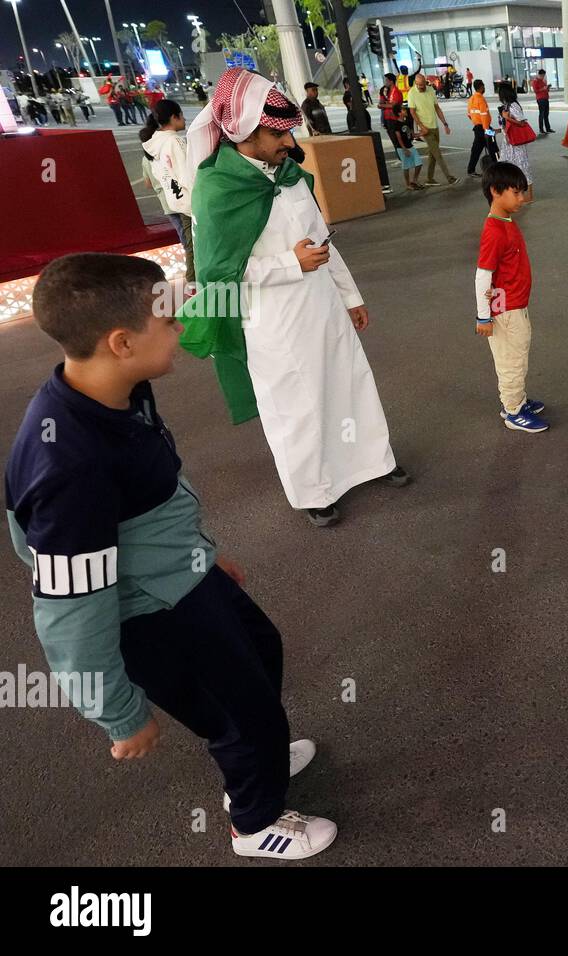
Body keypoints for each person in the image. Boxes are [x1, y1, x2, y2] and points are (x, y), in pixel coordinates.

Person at [6, 253, 339, 860]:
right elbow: (68, 611)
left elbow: (154, 502)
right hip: (148, 614)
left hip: (182, 577)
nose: (183, 325)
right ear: (122, 342)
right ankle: (254, 822)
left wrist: (201, 557)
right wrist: (118, 714)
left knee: (262, 651)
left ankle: (260, 752)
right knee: (239, 718)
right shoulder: (68, 466)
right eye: (169, 319)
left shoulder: (125, 389)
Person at [180, 68, 408, 527]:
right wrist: (288, 264)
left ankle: (372, 462)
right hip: (274, 324)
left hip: (324, 307)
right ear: (244, 129)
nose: (288, 142)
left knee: (351, 384)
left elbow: (322, 241)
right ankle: (312, 492)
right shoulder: (217, 190)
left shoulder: (288, 174)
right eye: (277, 133)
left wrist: (350, 296)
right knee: (297, 408)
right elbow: (217, 276)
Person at [474, 162, 548, 433]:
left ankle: (516, 400)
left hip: (515, 304)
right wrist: (484, 316)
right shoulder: (494, 230)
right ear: (496, 191)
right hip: (506, 309)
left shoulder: (506, 222)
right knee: (512, 360)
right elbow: (483, 275)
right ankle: (514, 412)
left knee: (517, 354)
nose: (522, 198)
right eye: (516, 193)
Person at [140, 99, 196, 284]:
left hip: (176, 203)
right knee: (196, 247)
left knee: (190, 245)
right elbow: (188, 176)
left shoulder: (155, 145)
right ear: (174, 117)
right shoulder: (174, 142)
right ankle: (197, 285)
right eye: (181, 115)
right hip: (191, 204)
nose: (184, 119)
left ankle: (196, 285)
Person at [407, 70, 458, 187]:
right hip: (425, 129)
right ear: (415, 83)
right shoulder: (412, 93)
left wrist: (445, 124)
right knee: (437, 154)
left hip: (434, 126)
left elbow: (437, 108)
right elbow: (412, 113)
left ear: (426, 82)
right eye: (419, 85)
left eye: (423, 84)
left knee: (432, 154)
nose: (421, 87)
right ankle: (449, 178)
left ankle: (429, 179)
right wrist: (421, 127)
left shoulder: (430, 90)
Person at [497, 83, 535, 204]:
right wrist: (497, 130)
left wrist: (507, 118)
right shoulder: (506, 106)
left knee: (522, 167)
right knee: (507, 167)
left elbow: (522, 123)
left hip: (516, 143)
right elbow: (505, 126)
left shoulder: (513, 106)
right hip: (508, 143)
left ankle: (529, 196)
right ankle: (512, 193)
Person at [466, 78, 498, 178]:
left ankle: (471, 170)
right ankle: (497, 170)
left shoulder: (471, 99)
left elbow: (469, 114)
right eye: (483, 86)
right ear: (481, 87)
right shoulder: (481, 99)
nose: (484, 88)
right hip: (485, 128)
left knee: (476, 150)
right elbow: (484, 115)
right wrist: (487, 130)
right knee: (493, 149)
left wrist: (476, 123)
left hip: (477, 128)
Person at [391, 104, 424, 190]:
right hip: (402, 148)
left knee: (419, 163)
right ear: (399, 113)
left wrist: (422, 133)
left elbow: (412, 135)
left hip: (410, 146)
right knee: (406, 166)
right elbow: (398, 138)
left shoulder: (407, 122)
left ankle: (414, 180)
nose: (405, 111)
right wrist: (404, 149)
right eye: (403, 110)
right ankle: (408, 184)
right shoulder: (396, 124)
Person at [530, 69, 553, 134]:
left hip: (546, 98)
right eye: (542, 75)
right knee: (542, 114)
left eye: (544, 75)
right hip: (540, 99)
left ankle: (548, 128)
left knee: (546, 114)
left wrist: (547, 88)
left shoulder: (543, 81)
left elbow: (545, 90)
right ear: (540, 74)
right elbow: (535, 91)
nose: (543, 76)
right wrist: (543, 88)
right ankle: (541, 129)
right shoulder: (535, 81)